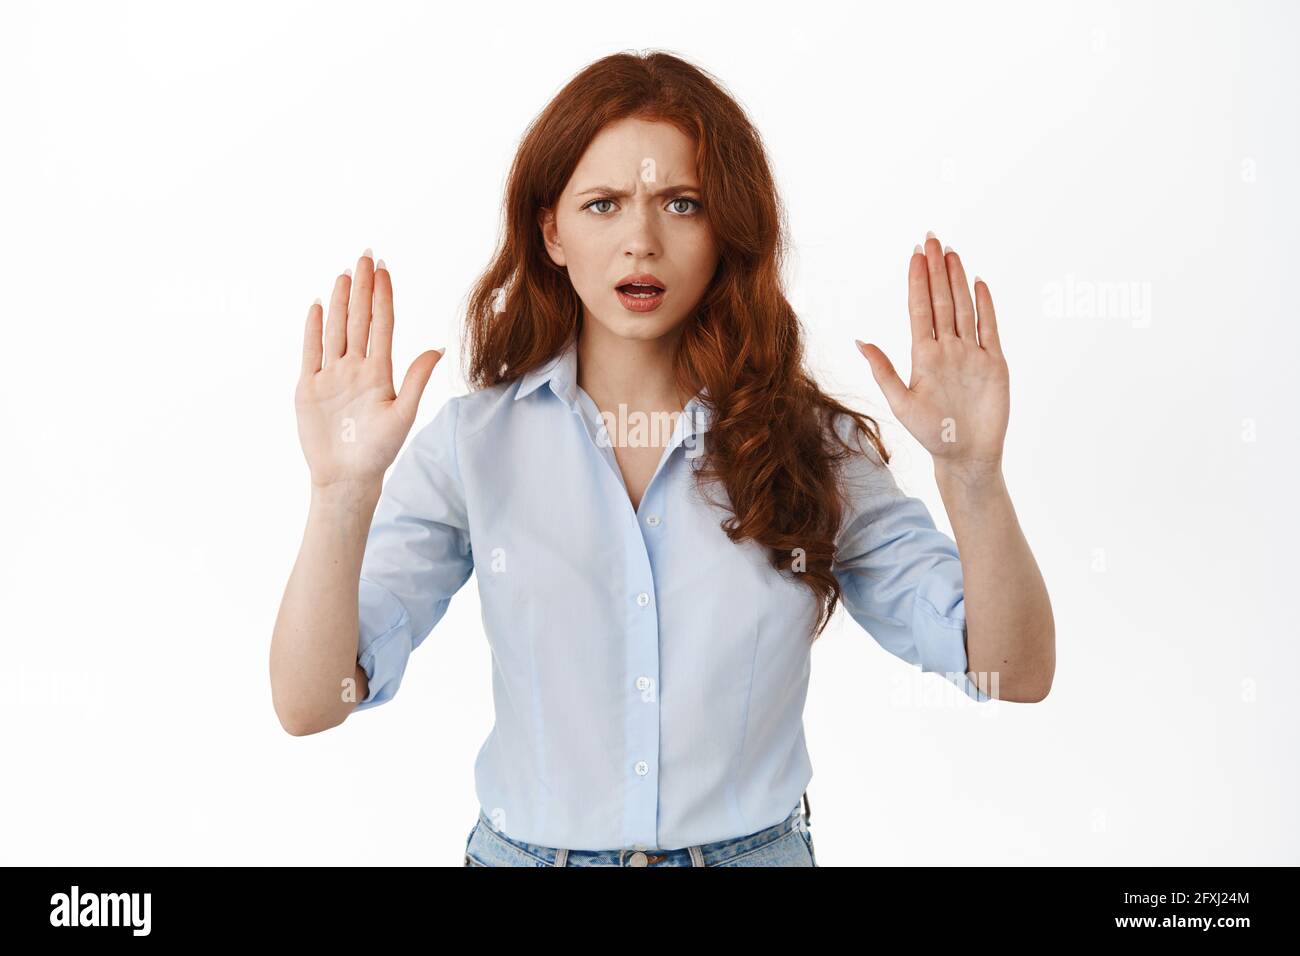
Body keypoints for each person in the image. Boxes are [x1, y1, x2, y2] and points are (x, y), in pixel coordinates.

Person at [269, 51, 1055, 867]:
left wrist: (973, 475)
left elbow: (1012, 672)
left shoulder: (810, 446)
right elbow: (308, 701)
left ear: (727, 230)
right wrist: (340, 493)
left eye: (682, 204)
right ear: (552, 233)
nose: (640, 242)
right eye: (602, 205)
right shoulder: (475, 446)